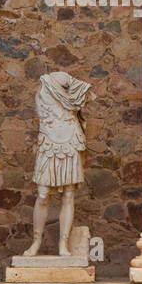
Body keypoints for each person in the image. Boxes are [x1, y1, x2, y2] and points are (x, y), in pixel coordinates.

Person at [25, 71, 92, 257]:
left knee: (69, 195)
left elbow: (84, 91)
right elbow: (41, 111)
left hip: (70, 139)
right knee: (43, 193)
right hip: (49, 140)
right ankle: (36, 242)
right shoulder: (44, 84)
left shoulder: (68, 82)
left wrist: (68, 84)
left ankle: (64, 244)